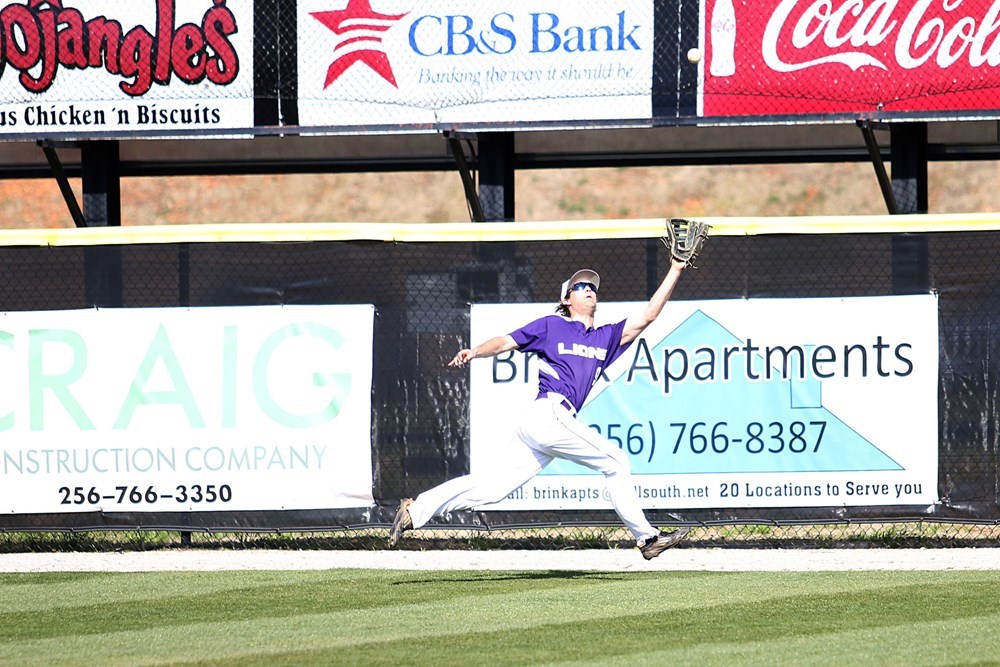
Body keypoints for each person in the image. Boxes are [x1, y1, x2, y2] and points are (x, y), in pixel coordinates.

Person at [389, 260, 691, 560]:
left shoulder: (606, 337)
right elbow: (506, 342)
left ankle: (415, 511)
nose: (589, 290)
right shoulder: (552, 326)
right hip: (548, 413)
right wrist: (476, 351)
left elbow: (649, 314)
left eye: (593, 287)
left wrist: (675, 269)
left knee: (492, 488)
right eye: (581, 286)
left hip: (549, 423)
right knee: (615, 461)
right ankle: (647, 538)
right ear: (566, 298)